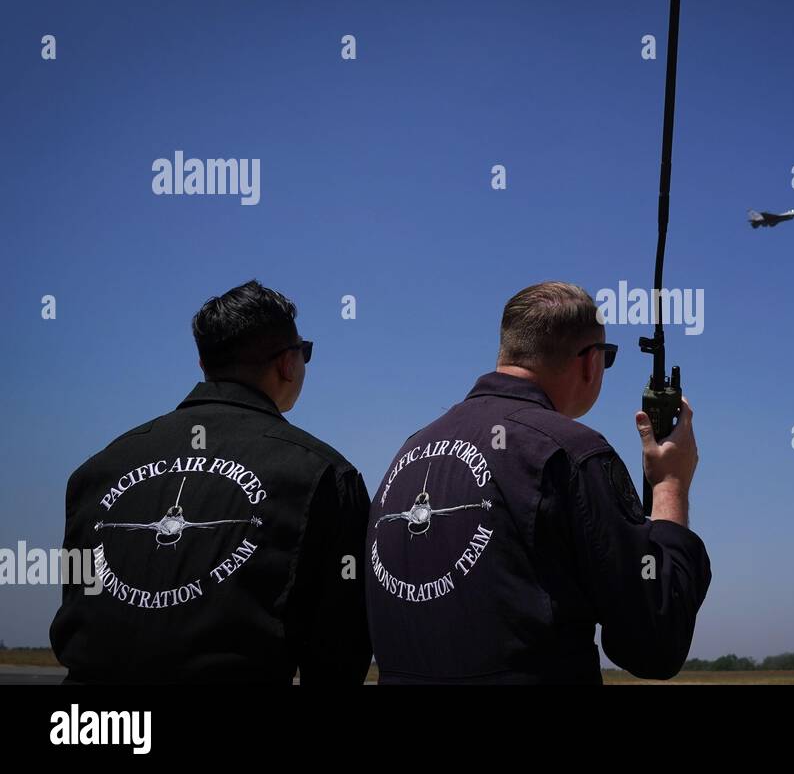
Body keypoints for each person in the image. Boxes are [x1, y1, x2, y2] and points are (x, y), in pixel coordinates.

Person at [366, 281, 710, 683]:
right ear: (590, 362)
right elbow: (655, 643)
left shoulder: (406, 454)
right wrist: (669, 485)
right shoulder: (572, 451)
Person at [50, 281, 371, 683]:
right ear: (288, 363)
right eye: (305, 353)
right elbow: (337, 660)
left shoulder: (94, 472)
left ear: (204, 366)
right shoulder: (323, 475)